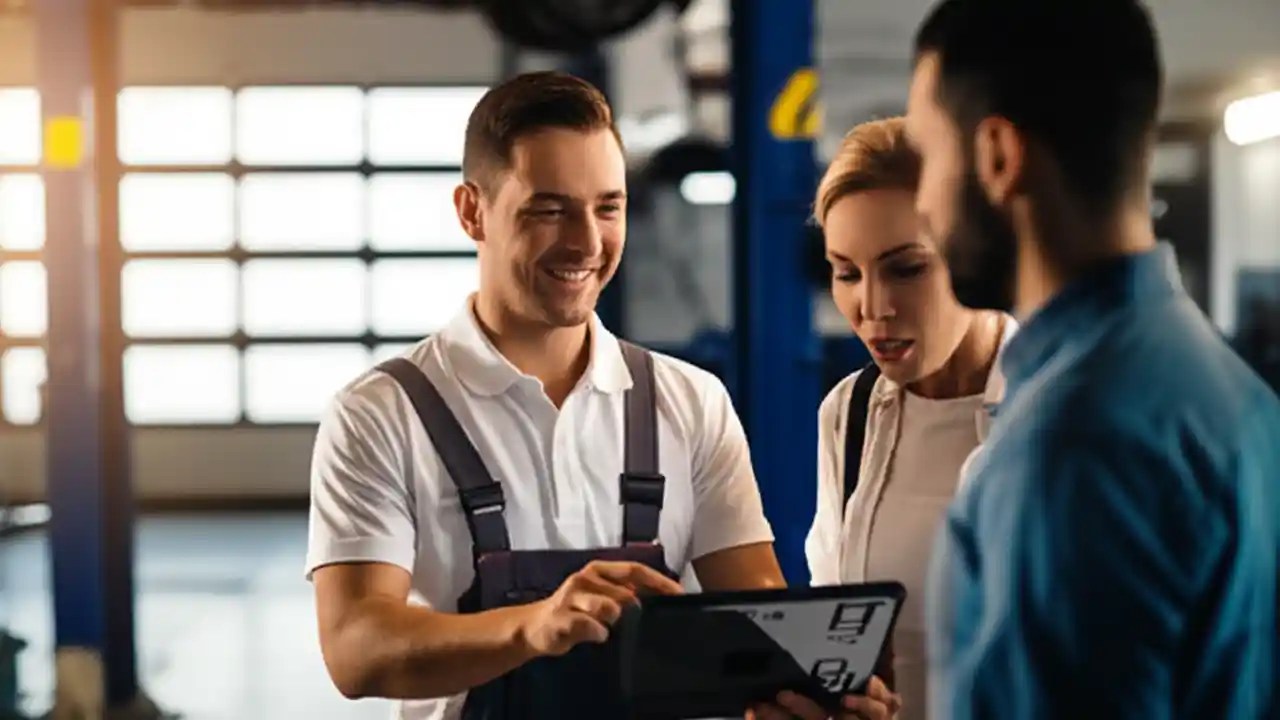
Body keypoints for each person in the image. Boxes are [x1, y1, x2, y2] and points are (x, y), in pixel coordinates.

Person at [304, 71, 787, 720]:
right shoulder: (381, 416)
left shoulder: (692, 402)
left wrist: (813, 683)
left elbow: (760, 616)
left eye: (607, 207)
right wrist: (533, 627)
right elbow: (356, 649)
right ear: (472, 211)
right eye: (549, 209)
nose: (587, 243)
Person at [903, 1, 1280, 718]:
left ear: (997, 157)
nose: (920, 201)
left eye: (928, 159)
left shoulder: (1071, 445)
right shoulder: (1232, 393)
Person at [802, 116, 1015, 720]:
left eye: (907, 268)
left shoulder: (1053, 413)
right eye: (846, 273)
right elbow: (835, 631)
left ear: (970, 255)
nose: (872, 308)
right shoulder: (852, 412)